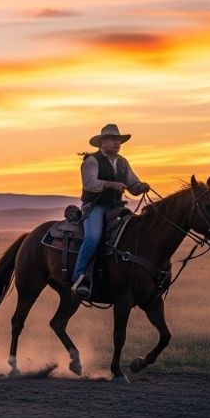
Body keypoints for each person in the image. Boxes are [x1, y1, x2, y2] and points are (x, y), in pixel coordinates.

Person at [72, 124, 150, 299]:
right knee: (93, 237)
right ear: (103, 142)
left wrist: (141, 187)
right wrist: (109, 184)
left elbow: (132, 184)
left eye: (119, 140)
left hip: (116, 207)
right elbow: (89, 183)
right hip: (95, 207)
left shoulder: (122, 162)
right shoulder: (92, 161)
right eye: (113, 139)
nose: (117, 142)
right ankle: (80, 278)